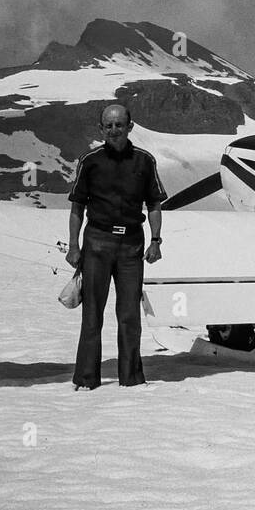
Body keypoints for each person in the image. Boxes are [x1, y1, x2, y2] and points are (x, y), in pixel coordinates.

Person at [65, 102, 166, 390]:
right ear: (101, 129)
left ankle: (131, 378)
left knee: (130, 314)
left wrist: (156, 240)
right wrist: (73, 245)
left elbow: (154, 204)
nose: (114, 130)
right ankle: (86, 378)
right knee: (92, 313)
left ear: (130, 127)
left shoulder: (145, 161)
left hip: (132, 245)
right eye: (108, 125)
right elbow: (77, 206)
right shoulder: (90, 161)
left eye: (119, 125)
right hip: (97, 242)